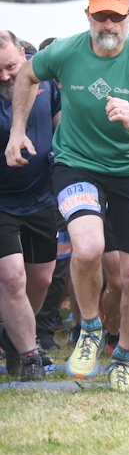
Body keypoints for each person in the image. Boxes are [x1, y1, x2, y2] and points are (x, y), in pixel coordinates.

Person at [5, 0, 129, 391]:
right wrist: (18, 130)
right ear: (88, 15)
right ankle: (89, 328)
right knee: (87, 248)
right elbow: (27, 75)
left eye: (116, 17)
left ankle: (123, 358)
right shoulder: (66, 51)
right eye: (100, 16)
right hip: (77, 164)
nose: (108, 24)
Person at [0, 30, 61, 381]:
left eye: (10, 67)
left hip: (41, 196)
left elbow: (61, 124)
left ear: (24, 54)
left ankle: (13, 336)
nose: (6, 76)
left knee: (41, 278)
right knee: (11, 276)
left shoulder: (46, 82)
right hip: (2, 202)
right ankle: (29, 355)